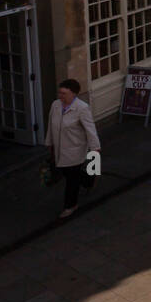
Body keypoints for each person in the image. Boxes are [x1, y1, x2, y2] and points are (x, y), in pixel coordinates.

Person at [45, 78, 101, 219]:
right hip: (59, 149)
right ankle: (89, 180)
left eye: (64, 93)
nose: (60, 96)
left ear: (74, 94)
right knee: (66, 172)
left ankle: (70, 205)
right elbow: (51, 125)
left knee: (71, 180)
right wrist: (49, 143)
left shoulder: (82, 108)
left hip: (74, 149)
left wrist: (95, 148)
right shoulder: (55, 105)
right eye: (60, 93)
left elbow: (90, 129)